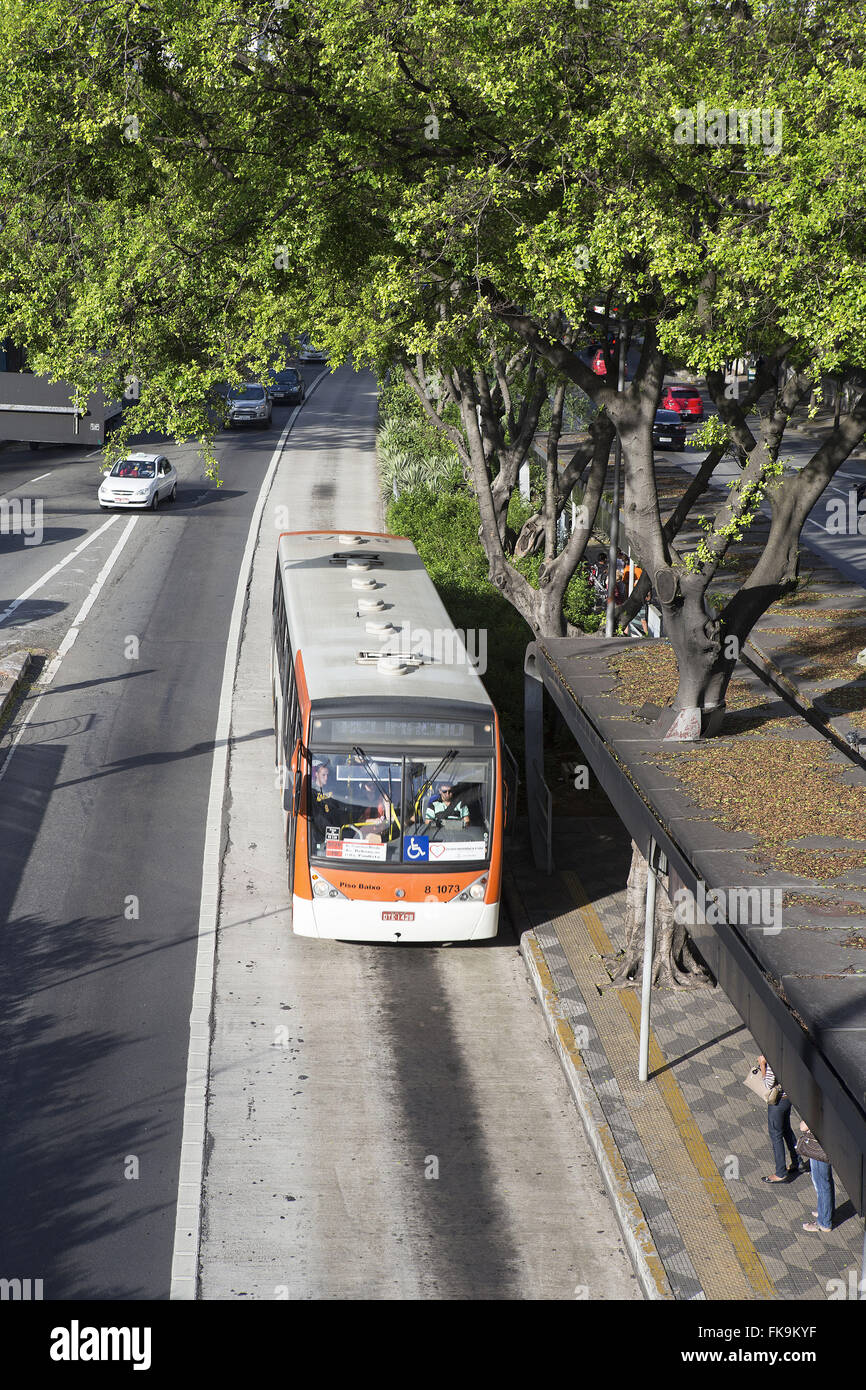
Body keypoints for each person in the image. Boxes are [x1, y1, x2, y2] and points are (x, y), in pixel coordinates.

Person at [758, 1055, 803, 1183]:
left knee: (776, 1134)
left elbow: (768, 1084)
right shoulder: (790, 1057)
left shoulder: (775, 1061)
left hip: (778, 1102)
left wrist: (762, 1065)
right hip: (788, 1098)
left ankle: (780, 1172)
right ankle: (798, 1161)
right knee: (786, 1129)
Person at [797, 1122, 835, 1233]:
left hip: (819, 1144)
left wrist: (805, 1123)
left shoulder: (822, 1104)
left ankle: (824, 1222)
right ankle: (826, 1211)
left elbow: (804, 1126)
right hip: (829, 1139)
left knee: (821, 1182)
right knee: (826, 1179)